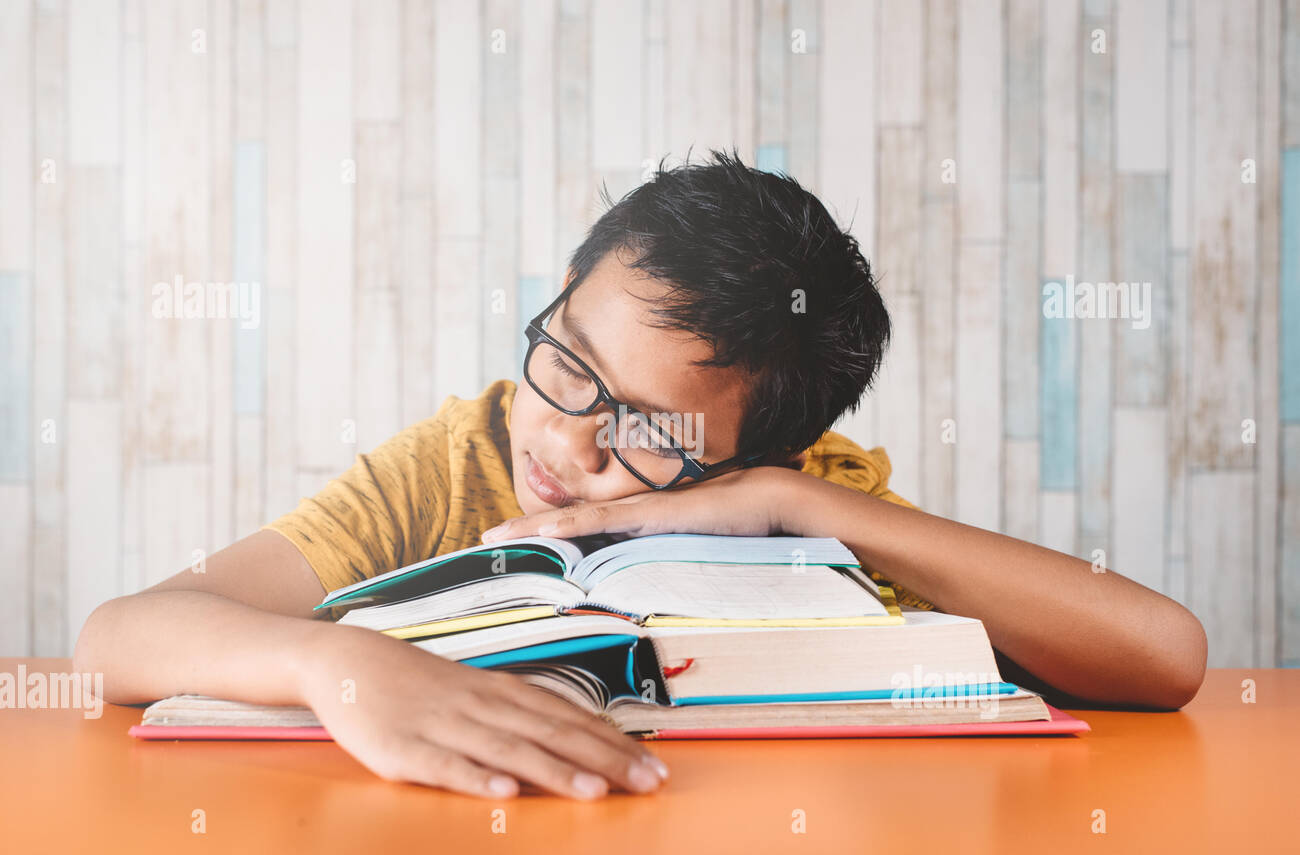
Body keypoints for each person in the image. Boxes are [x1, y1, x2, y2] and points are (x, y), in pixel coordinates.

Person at [75, 148, 1206, 800]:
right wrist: (337, 667)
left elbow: (1163, 657)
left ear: (763, 452)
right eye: (567, 361)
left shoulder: (814, 495)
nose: (569, 444)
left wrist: (795, 506)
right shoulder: (455, 459)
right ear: (563, 290)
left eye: (651, 436)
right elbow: (120, 636)